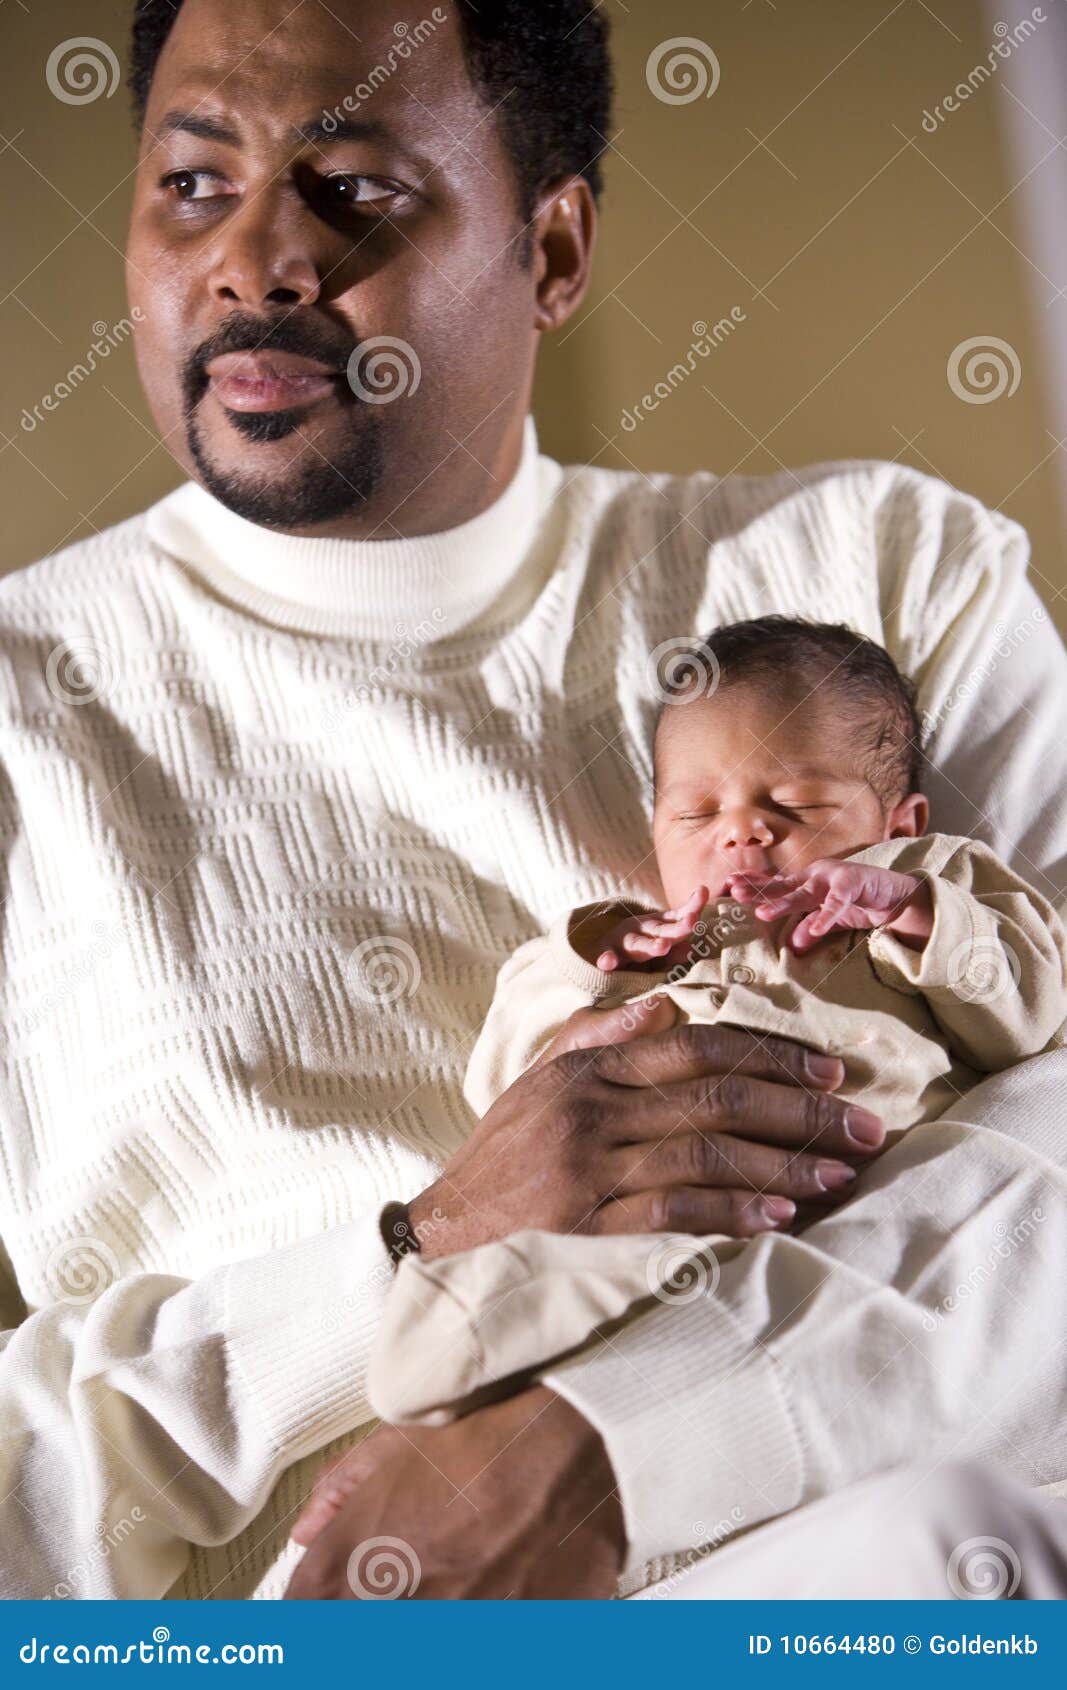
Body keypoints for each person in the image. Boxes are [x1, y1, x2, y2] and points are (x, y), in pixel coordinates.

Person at [0, 0, 1064, 1602]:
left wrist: (611, 1447)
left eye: (349, 185)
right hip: (290, 1630)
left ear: (554, 252)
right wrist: (407, 1253)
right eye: (195, 185)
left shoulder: (884, 574)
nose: (256, 262)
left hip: (849, 1548)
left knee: (960, 1567)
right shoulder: (25, 710)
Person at [364, 619, 1067, 1430]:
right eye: (696, 815)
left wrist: (914, 914)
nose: (741, 831)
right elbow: (512, 1090)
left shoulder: (922, 880)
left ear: (899, 823)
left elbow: (1027, 1019)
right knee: (555, 1298)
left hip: (854, 1208)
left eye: (795, 804)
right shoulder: (653, 948)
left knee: (765, 1336)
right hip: (662, 1197)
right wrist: (592, 953)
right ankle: (473, 1381)